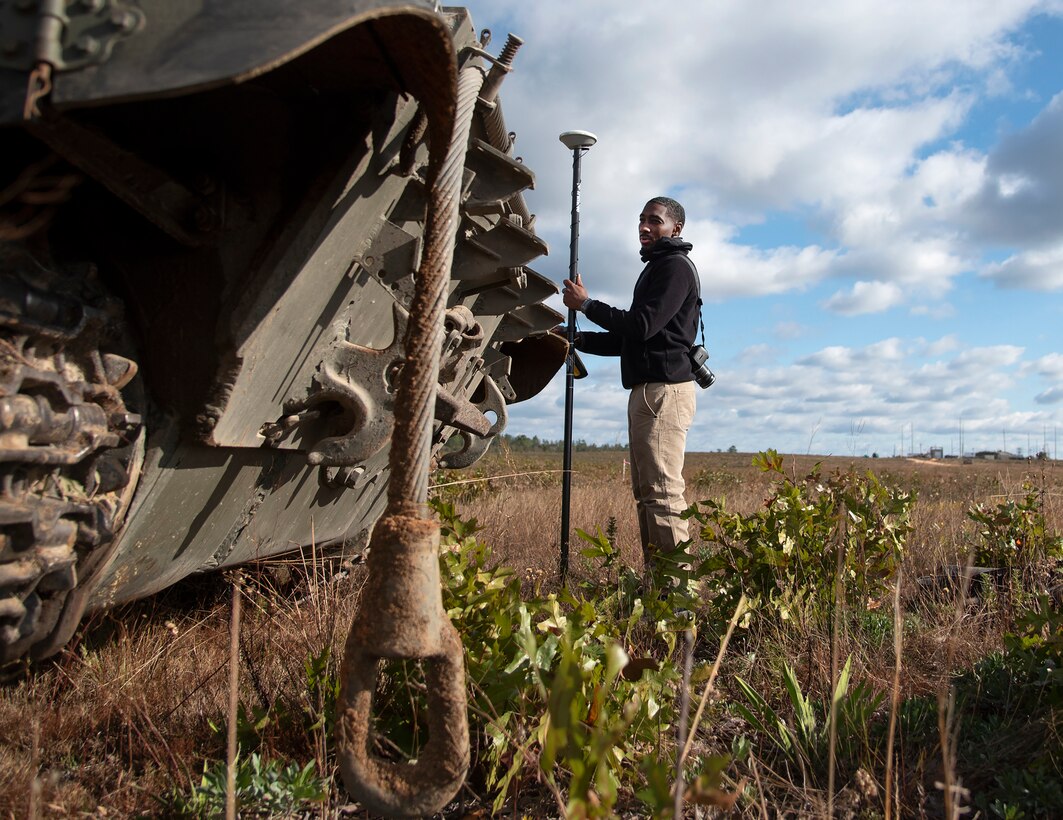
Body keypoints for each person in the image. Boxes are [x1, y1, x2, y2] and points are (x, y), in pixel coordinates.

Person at [561, 195, 700, 579]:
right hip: (648, 392)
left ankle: (678, 596)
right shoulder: (656, 268)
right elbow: (632, 340)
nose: (644, 227)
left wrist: (586, 305)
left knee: (663, 494)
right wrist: (576, 339)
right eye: (641, 220)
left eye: (654, 220)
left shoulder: (674, 267)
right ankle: (659, 588)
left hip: (664, 393)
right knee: (648, 495)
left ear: (676, 228)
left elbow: (641, 325)